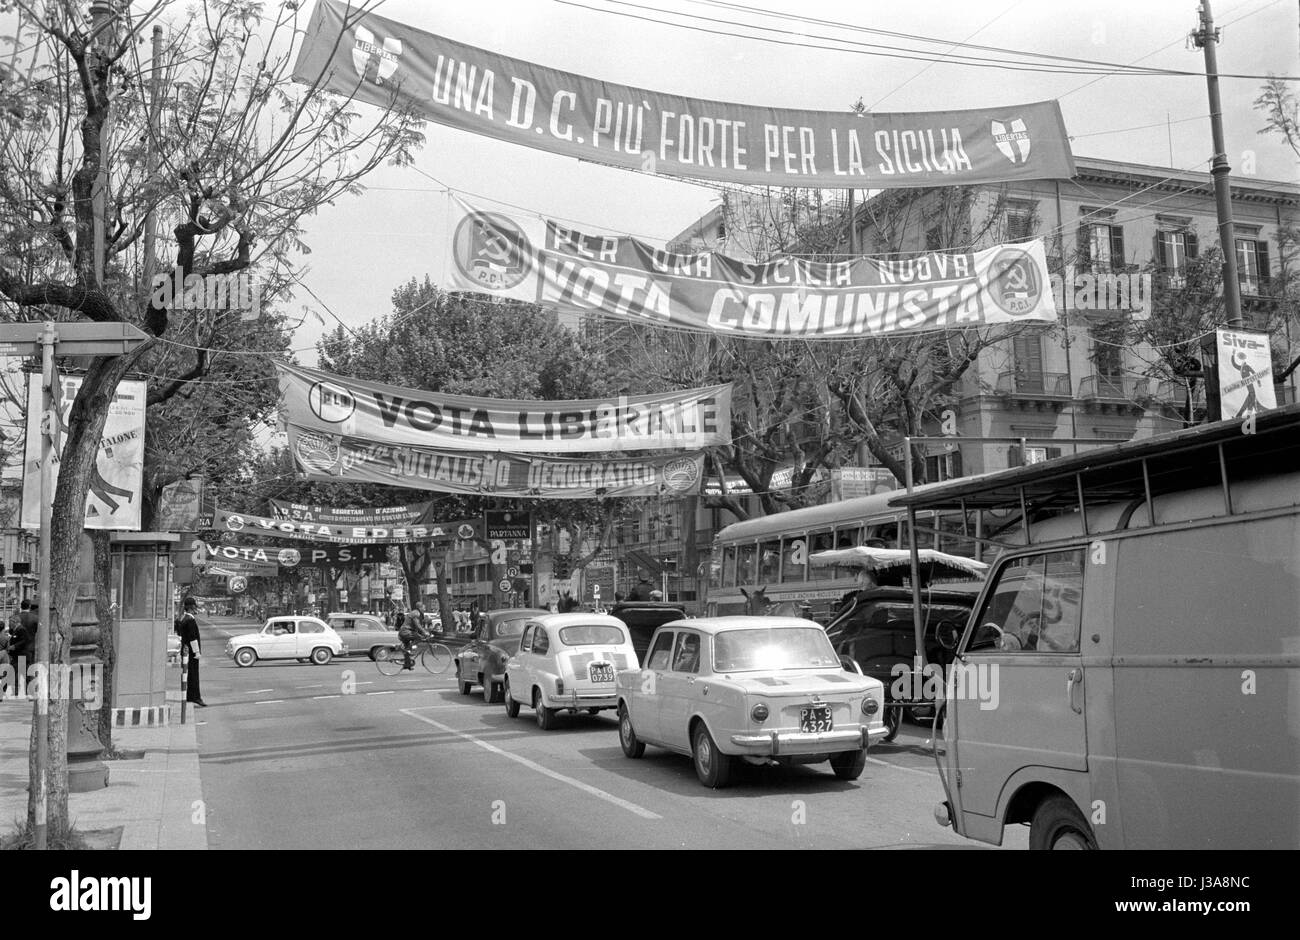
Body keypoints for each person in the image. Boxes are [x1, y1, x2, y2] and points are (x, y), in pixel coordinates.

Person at [177, 597, 206, 707]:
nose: (195, 609)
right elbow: (193, 638)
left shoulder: (185, 619)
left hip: (186, 652)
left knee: (189, 675)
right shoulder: (190, 620)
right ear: (190, 607)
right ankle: (195, 697)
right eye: (194, 606)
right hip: (191, 652)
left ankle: (189, 696)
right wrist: (197, 652)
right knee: (194, 675)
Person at [399, 606, 430, 670]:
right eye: (423, 608)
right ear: (420, 607)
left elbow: (415, 627)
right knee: (418, 638)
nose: (424, 609)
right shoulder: (416, 614)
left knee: (407, 647)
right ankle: (410, 650)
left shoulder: (413, 613)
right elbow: (417, 625)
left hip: (404, 631)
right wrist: (424, 632)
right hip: (406, 632)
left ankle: (407, 664)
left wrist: (421, 632)